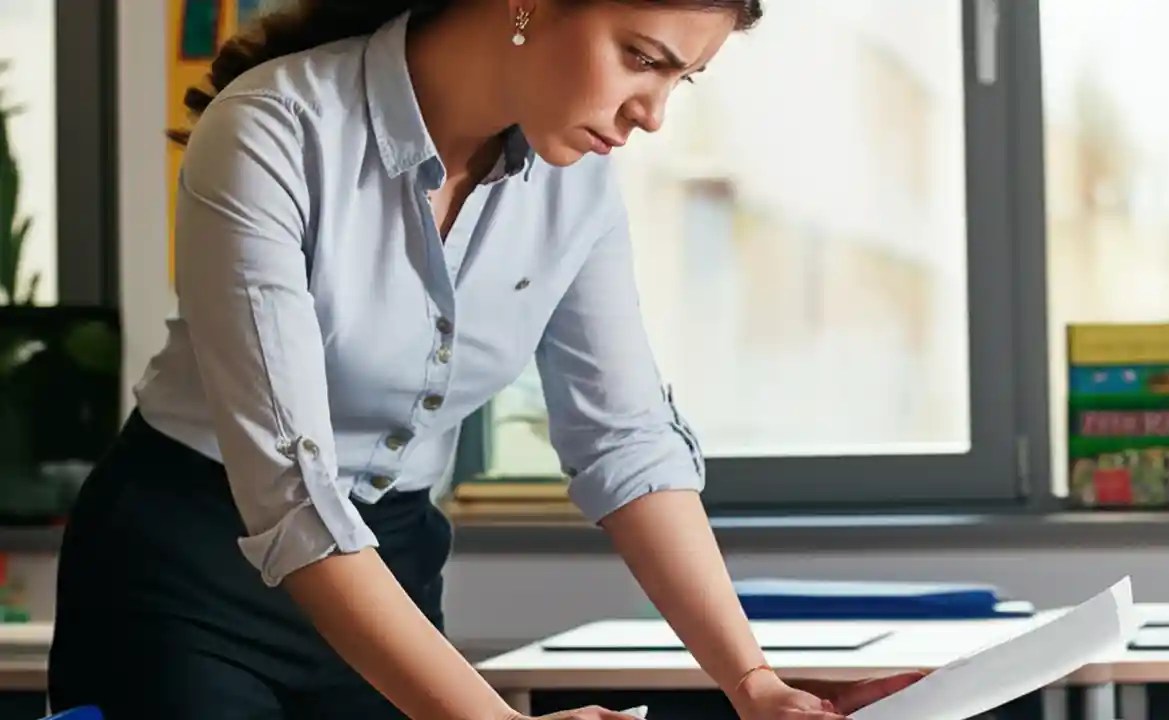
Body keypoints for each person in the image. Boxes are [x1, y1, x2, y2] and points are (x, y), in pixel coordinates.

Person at [48, 1, 923, 718]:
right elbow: (289, 488)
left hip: (388, 568)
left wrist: (753, 681)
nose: (652, 114)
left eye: (680, 79)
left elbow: (625, 440)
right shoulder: (273, 129)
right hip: (190, 572)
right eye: (640, 58)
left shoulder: (574, 177)